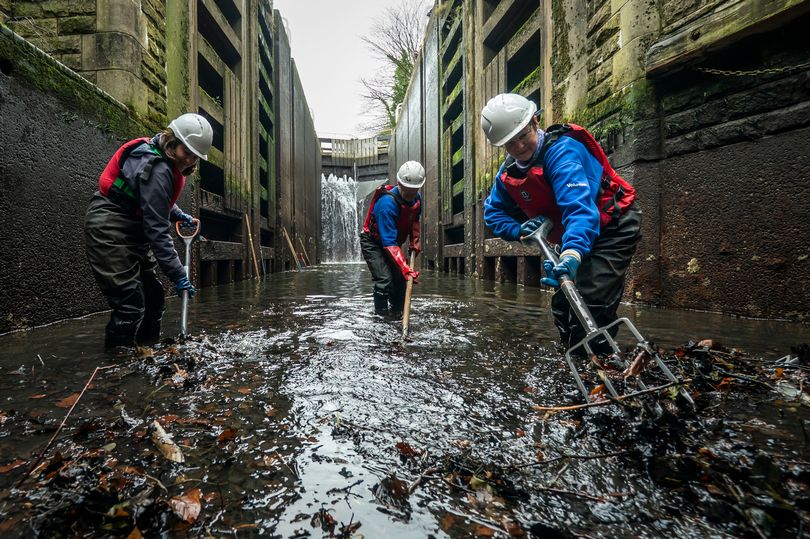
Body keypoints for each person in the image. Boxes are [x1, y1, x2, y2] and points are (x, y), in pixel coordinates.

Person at [480, 93, 640, 354]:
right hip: (574, 235)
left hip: (613, 225)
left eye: (523, 135)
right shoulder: (507, 174)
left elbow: (579, 210)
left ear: (535, 121)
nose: (519, 146)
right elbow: (493, 213)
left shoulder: (563, 153)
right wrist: (519, 230)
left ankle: (596, 365)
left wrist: (572, 252)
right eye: (510, 143)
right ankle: (573, 357)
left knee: (592, 299)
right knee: (564, 305)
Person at [85, 113, 213, 347]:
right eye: (187, 153)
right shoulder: (157, 168)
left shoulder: (161, 162)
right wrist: (178, 275)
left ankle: (147, 351)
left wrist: (177, 213)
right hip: (110, 227)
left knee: (154, 299)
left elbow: (152, 196)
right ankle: (117, 368)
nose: (190, 161)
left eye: (196, 157)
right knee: (130, 306)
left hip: (133, 229)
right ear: (173, 142)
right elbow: (157, 232)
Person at [360, 160, 424, 316]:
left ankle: (397, 313)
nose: (410, 195)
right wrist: (405, 268)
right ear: (399, 184)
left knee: (401, 281)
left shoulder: (416, 199)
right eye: (407, 190)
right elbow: (388, 243)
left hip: (392, 244)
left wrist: (415, 241)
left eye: (414, 191)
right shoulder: (386, 204)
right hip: (373, 243)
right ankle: (381, 317)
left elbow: (415, 219)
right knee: (384, 280)